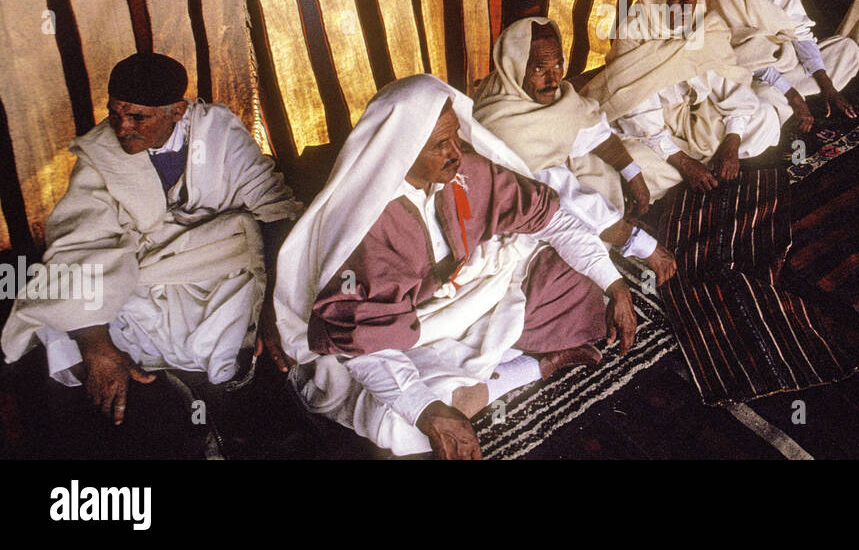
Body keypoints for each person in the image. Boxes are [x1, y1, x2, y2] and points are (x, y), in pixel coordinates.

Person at [274, 74, 637, 459]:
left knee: (580, 278)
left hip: (468, 294)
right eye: (439, 145)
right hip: (394, 334)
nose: (455, 153)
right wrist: (428, 412)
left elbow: (553, 219)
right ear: (402, 149)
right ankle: (533, 367)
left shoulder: (463, 173)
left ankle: (493, 365)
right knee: (400, 424)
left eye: (455, 137)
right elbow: (361, 344)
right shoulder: (369, 227)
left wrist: (614, 286)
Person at [1, 52, 299, 427]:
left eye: (138, 116)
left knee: (232, 346)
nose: (122, 127)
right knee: (62, 321)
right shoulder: (101, 153)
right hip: (141, 269)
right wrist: (95, 343)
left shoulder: (218, 132)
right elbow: (81, 241)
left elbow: (275, 211)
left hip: (222, 261)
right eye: (114, 112)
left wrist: (277, 302)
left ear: (177, 111)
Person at [474, 17, 676, 284]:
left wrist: (634, 175)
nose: (553, 77)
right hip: (528, 210)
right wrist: (643, 245)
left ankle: (614, 227)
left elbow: (591, 131)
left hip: (559, 185)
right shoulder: (504, 124)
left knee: (612, 165)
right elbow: (561, 195)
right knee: (573, 260)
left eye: (558, 64)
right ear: (515, 66)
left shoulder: (544, 91)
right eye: (539, 68)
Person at [584, 0, 782, 199]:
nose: (687, 6)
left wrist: (731, 142)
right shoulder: (632, 34)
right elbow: (638, 114)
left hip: (694, 121)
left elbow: (731, 88)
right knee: (634, 164)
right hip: (649, 131)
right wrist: (684, 163)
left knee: (765, 116)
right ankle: (698, 169)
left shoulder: (705, 26)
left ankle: (712, 164)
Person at [704, 0, 859, 133]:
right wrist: (792, 95)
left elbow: (800, 31)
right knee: (763, 96)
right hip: (754, 74)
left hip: (786, 61)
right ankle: (798, 102)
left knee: (847, 49)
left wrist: (827, 85)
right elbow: (742, 57)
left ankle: (812, 96)